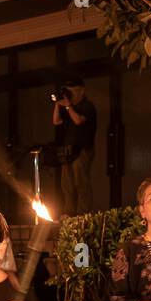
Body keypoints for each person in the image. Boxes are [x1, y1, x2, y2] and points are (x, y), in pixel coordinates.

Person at [51, 76, 97, 213]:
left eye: (73, 90)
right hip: (68, 151)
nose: (71, 94)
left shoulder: (87, 106)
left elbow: (78, 120)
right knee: (67, 185)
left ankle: (83, 214)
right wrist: (58, 104)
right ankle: (69, 214)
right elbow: (56, 121)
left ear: (82, 90)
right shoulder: (67, 108)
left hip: (83, 149)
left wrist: (68, 106)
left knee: (81, 183)